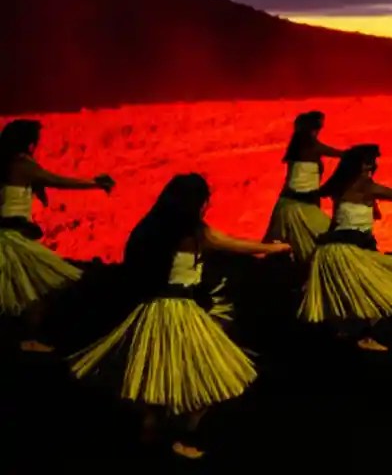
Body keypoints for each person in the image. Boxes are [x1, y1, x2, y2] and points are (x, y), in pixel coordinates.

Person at [69, 174, 291, 460]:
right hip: (181, 314)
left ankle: (147, 437)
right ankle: (185, 437)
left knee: (155, 378)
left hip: (151, 311)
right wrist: (275, 248)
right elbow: (234, 245)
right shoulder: (195, 233)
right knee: (211, 378)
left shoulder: (148, 229)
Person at [299, 144, 392, 352]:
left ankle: (347, 331)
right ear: (362, 165)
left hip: (332, 250)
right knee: (373, 292)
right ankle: (363, 336)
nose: (372, 165)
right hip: (350, 250)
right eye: (369, 162)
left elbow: (339, 219)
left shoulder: (341, 185)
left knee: (353, 292)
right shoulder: (365, 186)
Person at [0, 119, 114, 352]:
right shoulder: (21, 164)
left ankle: (21, 341)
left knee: (21, 293)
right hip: (12, 240)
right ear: (28, 142)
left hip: (10, 236)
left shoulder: (5, 164)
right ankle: (27, 342)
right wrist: (94, 183)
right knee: (36, 292)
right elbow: (57, 181)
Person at [263, 111, 346, 261]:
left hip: (289, 201)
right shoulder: (311, 147)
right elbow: (336, 153)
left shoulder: (296, 147)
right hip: (303, 203)